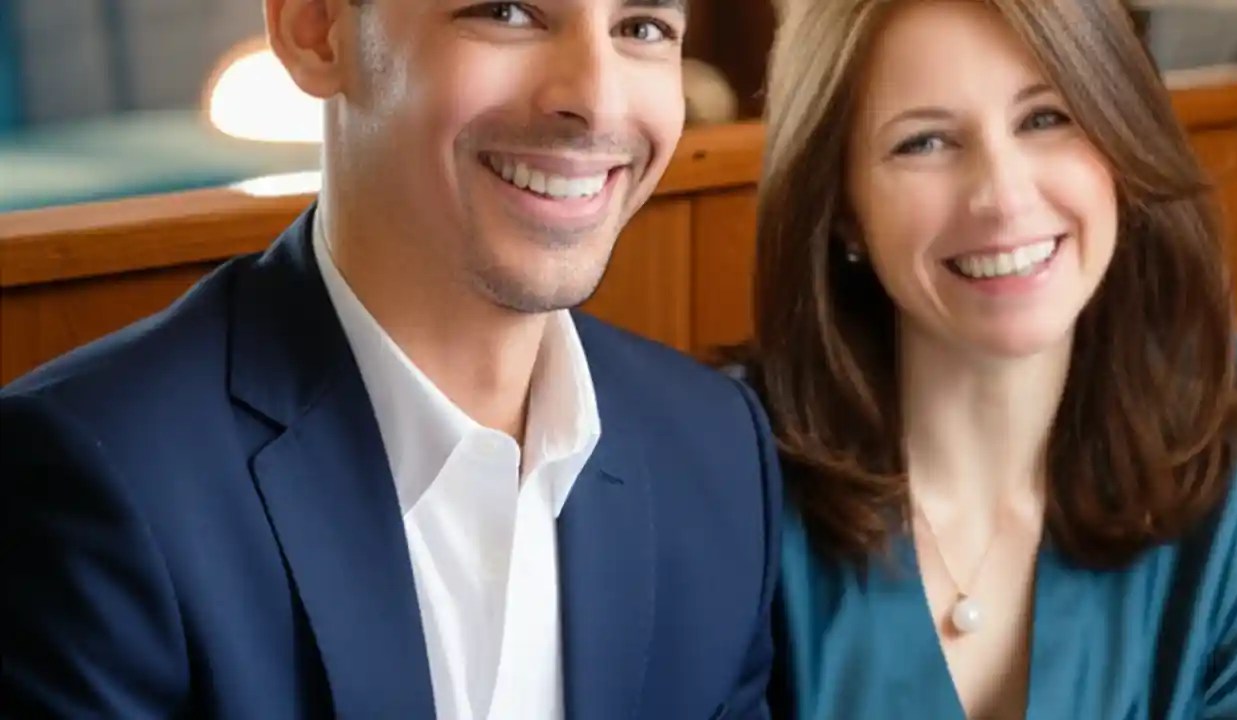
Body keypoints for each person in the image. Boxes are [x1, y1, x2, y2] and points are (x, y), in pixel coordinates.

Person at [1, 1, 780, 717]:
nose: (598, 101)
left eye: (641, 26)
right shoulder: (101, 478)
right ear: (315, 30)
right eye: (507, 11)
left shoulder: (715, 451)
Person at [750, 0, 1237, 718]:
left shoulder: (1224, 426)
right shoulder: (734, 474)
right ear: (841, 205)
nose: (1002, 196)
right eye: (926, 142)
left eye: (1044, 118)